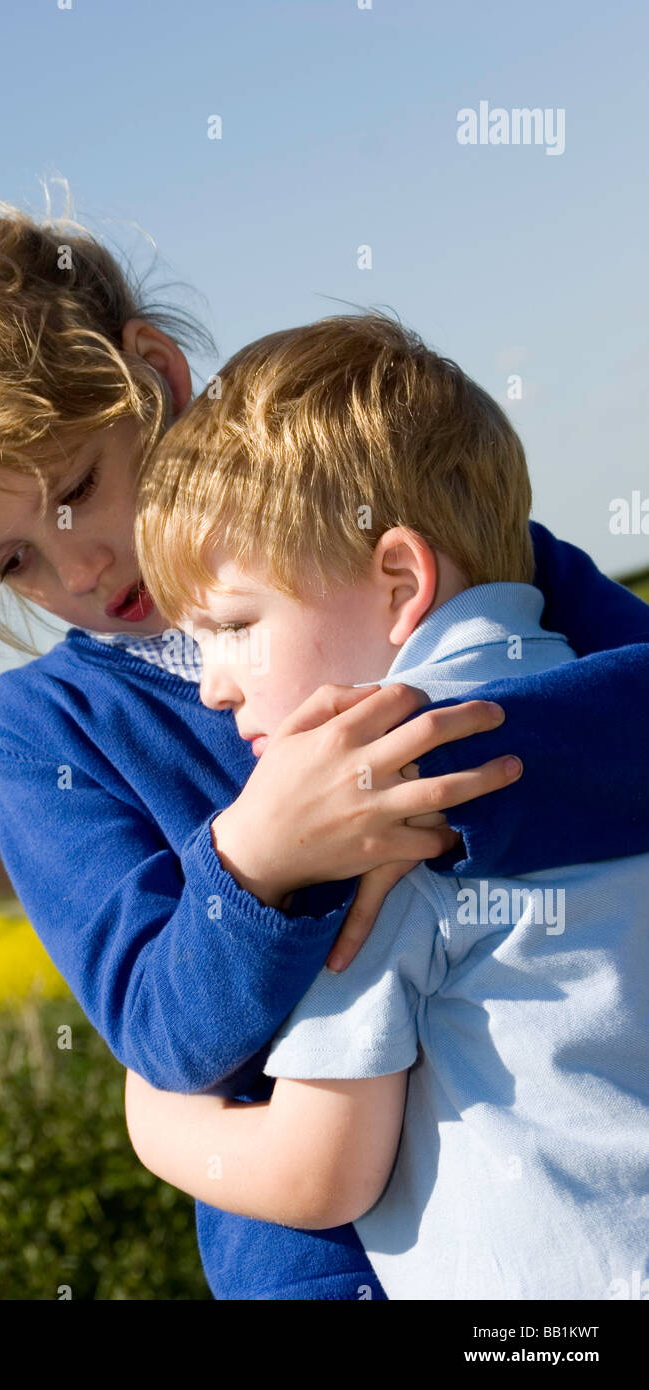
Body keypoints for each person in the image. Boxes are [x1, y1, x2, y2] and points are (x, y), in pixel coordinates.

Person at [0, 207, 649, 1300]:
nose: (82, 565)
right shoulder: (45, 731)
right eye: (15, 559)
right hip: (324, 1265)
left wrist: (412, 794)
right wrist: (260, 858)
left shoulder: (381, 511)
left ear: (151, 371)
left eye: (78, 488)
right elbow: (160, 1024)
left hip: (582, 1176)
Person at [125, 313, 649, 1299]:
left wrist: (155, 1118)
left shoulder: (388, 820)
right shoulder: (611, 725)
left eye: (235, 627)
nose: (211, 685)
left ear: (400, 580)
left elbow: (319, 1171)